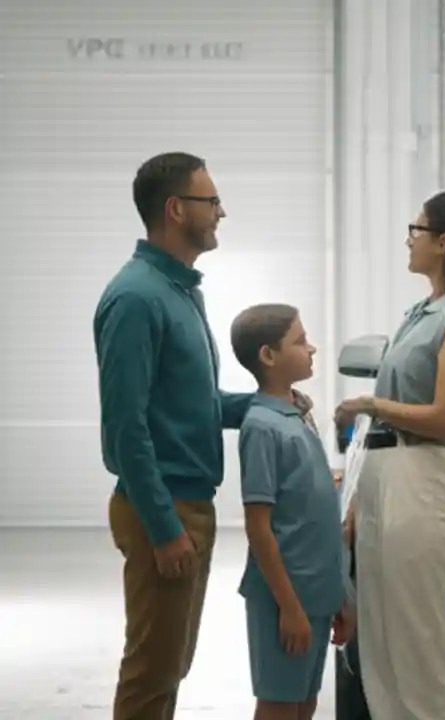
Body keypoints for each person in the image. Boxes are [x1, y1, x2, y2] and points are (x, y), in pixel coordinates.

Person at [94, 151, 311, 720]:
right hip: (163, 508)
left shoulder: (180, 291)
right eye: (211, 201)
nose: (221, 212)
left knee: (170, 666)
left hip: (187, 503)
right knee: (151, 673)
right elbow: (126, 426)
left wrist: (269, 402)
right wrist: (164, 528)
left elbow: (191, 403)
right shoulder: (137, 298)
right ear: (175, 209)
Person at [333, 189, 445, 720]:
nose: (409, 240)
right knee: (381, 646)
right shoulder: (423, 312)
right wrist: (356, 497)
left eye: (417, 230)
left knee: (416, 646)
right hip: (387, 475)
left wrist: (371, 404)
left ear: (444, 241)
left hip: (423, 478)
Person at [230, 304, 346, 720]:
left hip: (316, 592)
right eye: (300, 341)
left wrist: (338, 597)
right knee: (279, 704)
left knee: (305, 701)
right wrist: (290, 608)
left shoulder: (298, 413)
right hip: (285, 598)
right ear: (268, 355)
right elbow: (259, 527)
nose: (311, 348)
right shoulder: (262, 427)